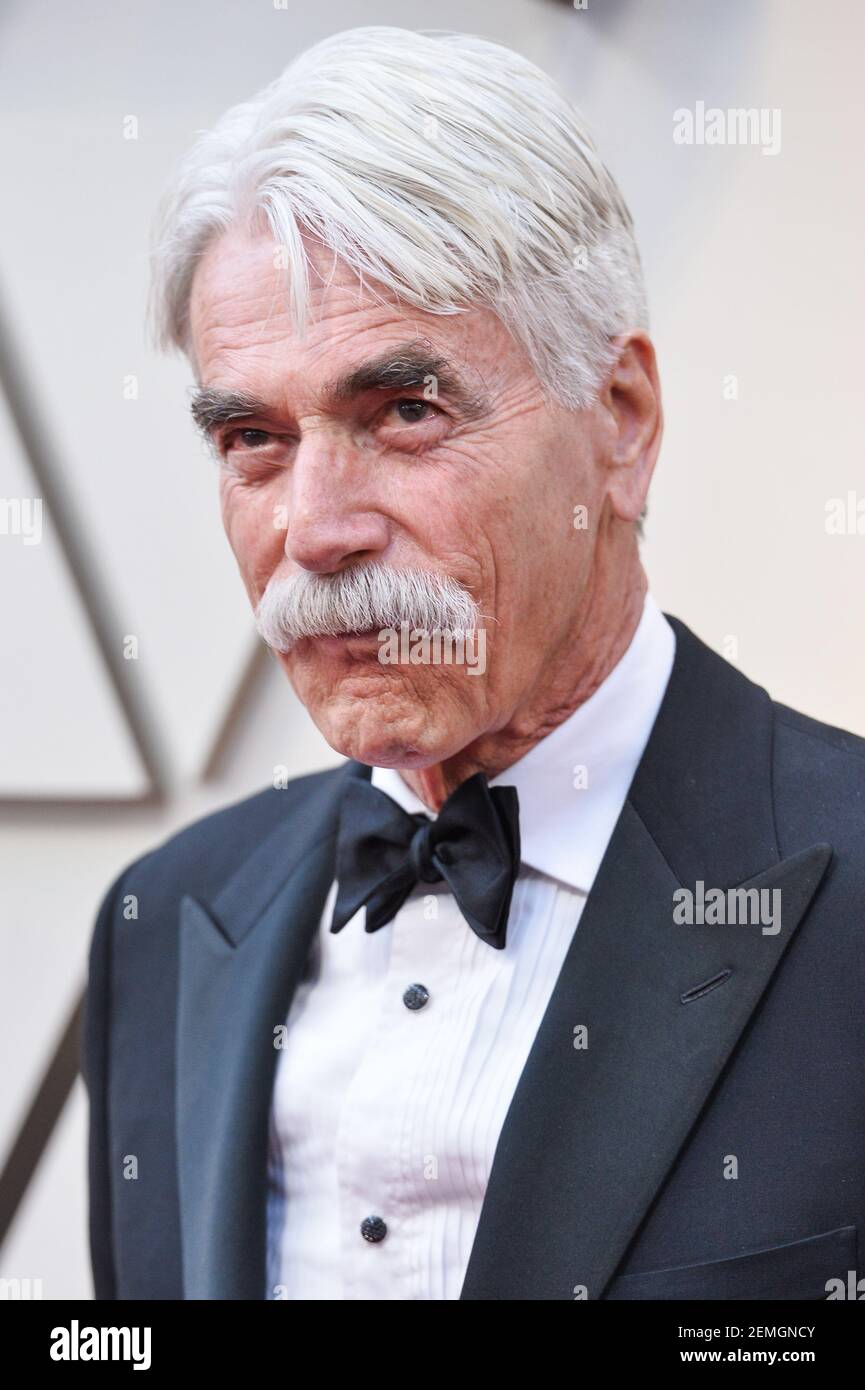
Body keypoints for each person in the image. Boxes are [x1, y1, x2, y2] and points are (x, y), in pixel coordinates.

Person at [82, 26, 864, 1301]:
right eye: (253, 438)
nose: (317, 530)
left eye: (405, 411)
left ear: (619, 424)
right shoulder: (165, 922)